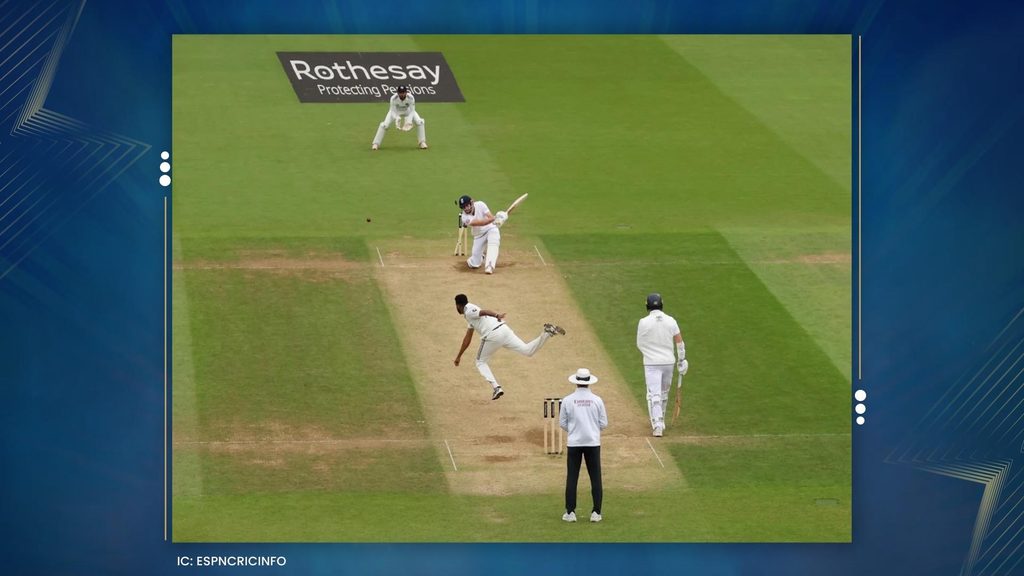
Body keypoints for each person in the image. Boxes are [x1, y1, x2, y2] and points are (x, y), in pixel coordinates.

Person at [452, 294, 565, 400]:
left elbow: (483, 312)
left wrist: (497, 315)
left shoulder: (469, 310)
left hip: (493, 334)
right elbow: (467, 339)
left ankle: (496, 387)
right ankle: (546, 333)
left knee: (480, 362)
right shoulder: (470, 317)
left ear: (458, 306)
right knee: (527, 351)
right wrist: (459, 356)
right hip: (504, 330)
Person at [636, 292, 688, 437]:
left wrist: (650, 354)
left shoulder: (643, 322)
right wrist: (681, 360)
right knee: (663, 393)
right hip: (668, 362)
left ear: (647, 305)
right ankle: (660, 420)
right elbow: (679, 342)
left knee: (655, 395)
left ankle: (658, 425)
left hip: (651, 363)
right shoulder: (671, 320)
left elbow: (639, 343)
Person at [559, 368, 608, 523]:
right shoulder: (597, 400)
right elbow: (603, 423)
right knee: (595, 478)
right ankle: (596, 513)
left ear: (576, 381)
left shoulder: (567, 400)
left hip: (574, 443)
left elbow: (562, 423)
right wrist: (592, 430)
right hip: (593, 442)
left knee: (572, 477)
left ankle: (570, 512)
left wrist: (574, 431)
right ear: (588, 382)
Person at [371, 85, 427, 150]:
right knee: (385, 125)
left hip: (407, 111)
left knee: (419, 122)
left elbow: (412, 111)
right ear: (398, 93)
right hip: (395, 112)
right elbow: (392, 111)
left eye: (403, 92)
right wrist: (397, 118)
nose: (402, 94)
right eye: (400, 92)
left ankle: (422, 142)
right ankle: (376, 144)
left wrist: (409, 121)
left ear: (406, 92)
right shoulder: (393, 98)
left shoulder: (411, 98)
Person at [457, 194, 501, 274]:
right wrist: (495, 218)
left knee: (494, 233)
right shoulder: (464, 217)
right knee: (474, 264)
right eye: (463, 207)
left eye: (467, 205)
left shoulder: (481, 204)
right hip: (478, 236)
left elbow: (489, 216)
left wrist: (497, 220)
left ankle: (489, 266)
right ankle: (481, 257)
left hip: (490, 229)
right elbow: (480, 223)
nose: (466, 208)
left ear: (472, 202)